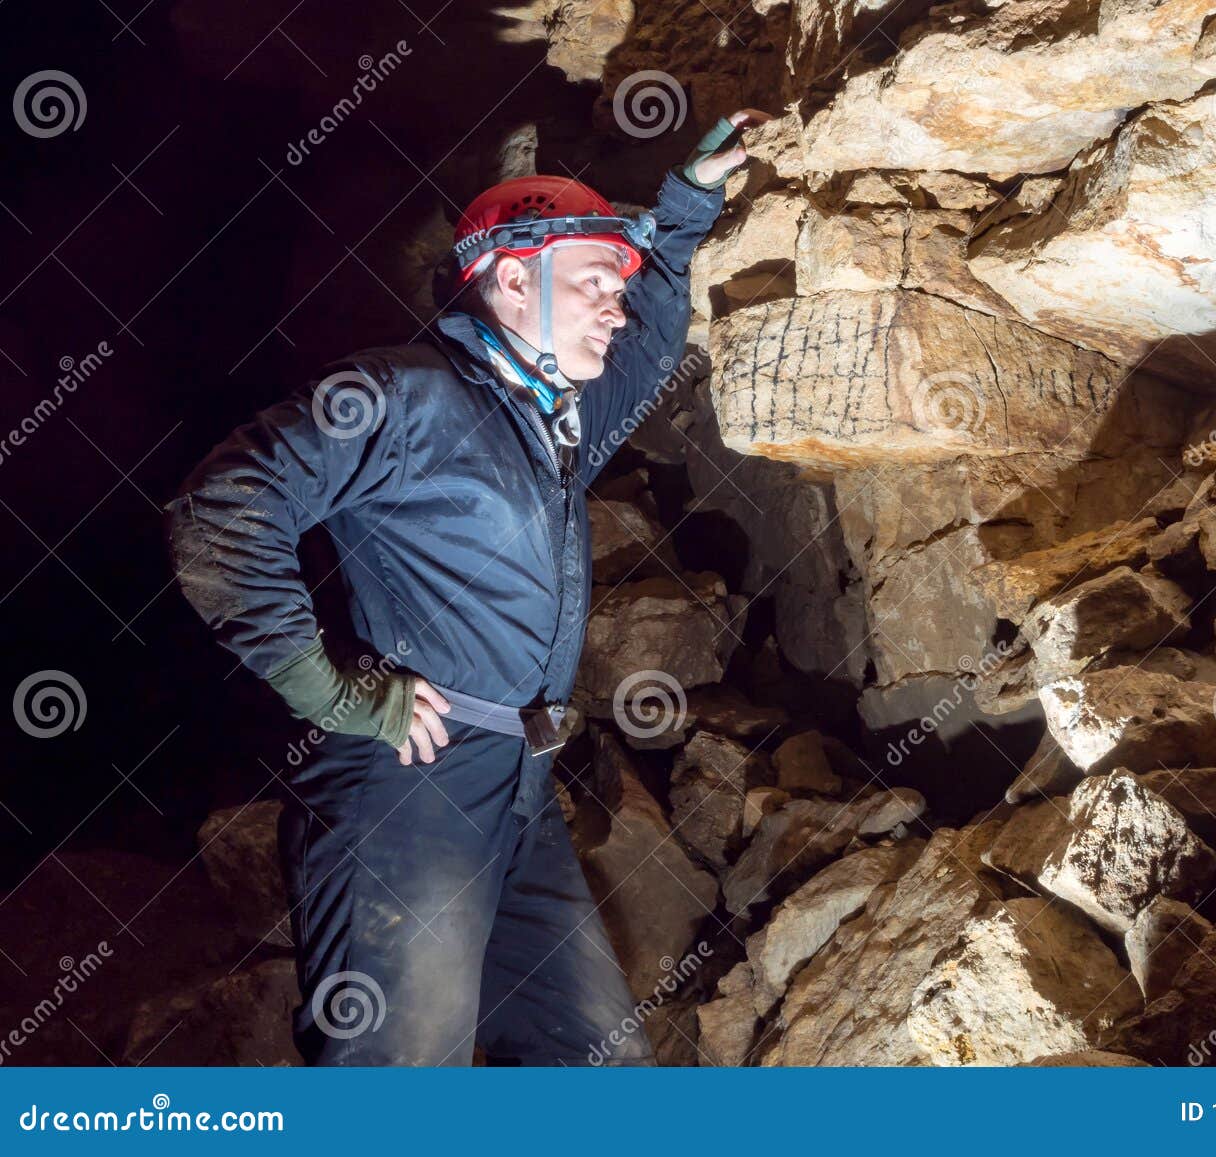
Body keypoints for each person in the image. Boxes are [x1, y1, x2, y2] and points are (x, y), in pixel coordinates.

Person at [163, 109, 771, 1065]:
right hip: (411, 789)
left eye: (616, 284)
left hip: (523, 793)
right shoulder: (407, 396)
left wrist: (686, 208)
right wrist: (326, 689)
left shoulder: (551, 427)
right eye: (593, 283)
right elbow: (222, 507)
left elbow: (649, 342)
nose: (616, 303)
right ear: (513, 277)